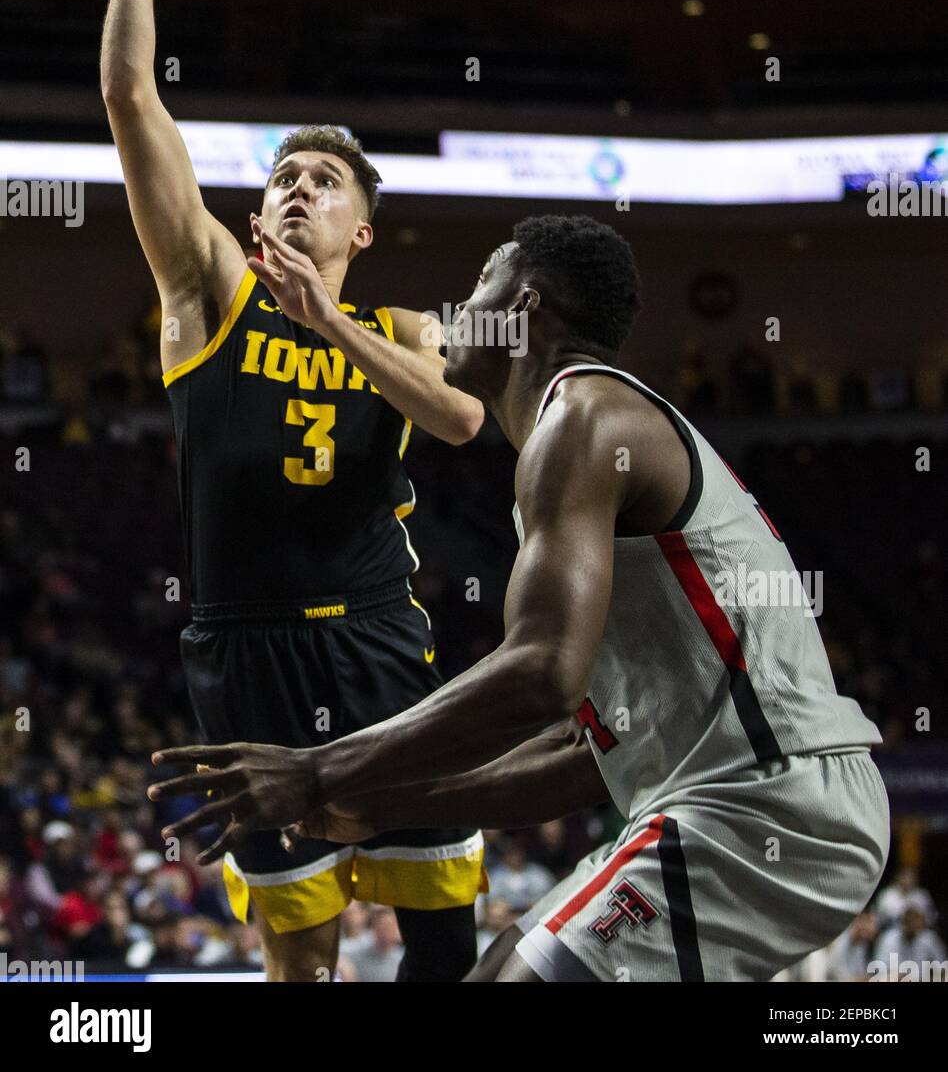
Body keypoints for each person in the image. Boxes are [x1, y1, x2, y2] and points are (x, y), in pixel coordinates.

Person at [150, 214, 890, 982]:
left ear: (526, 305)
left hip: (765, 802)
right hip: (736, 798)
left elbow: (541, 674)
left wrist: (318, 771)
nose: (455, 311)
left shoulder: (584, 417)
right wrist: (394, 800)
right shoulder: (577, 437)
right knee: (502, 965)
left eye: (478, 288)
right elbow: (583, 758)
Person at [100, 0, 486, 982]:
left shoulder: (402, 326)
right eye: (283, 178)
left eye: (324, 181)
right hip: (248, 655)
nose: (298, 189)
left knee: (442, 941)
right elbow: (129, 97)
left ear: (360, 229)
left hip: (378, 642)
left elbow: (464, 418)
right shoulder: (205, 290)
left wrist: (331, 326)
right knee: (301, 958)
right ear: (258, 218)